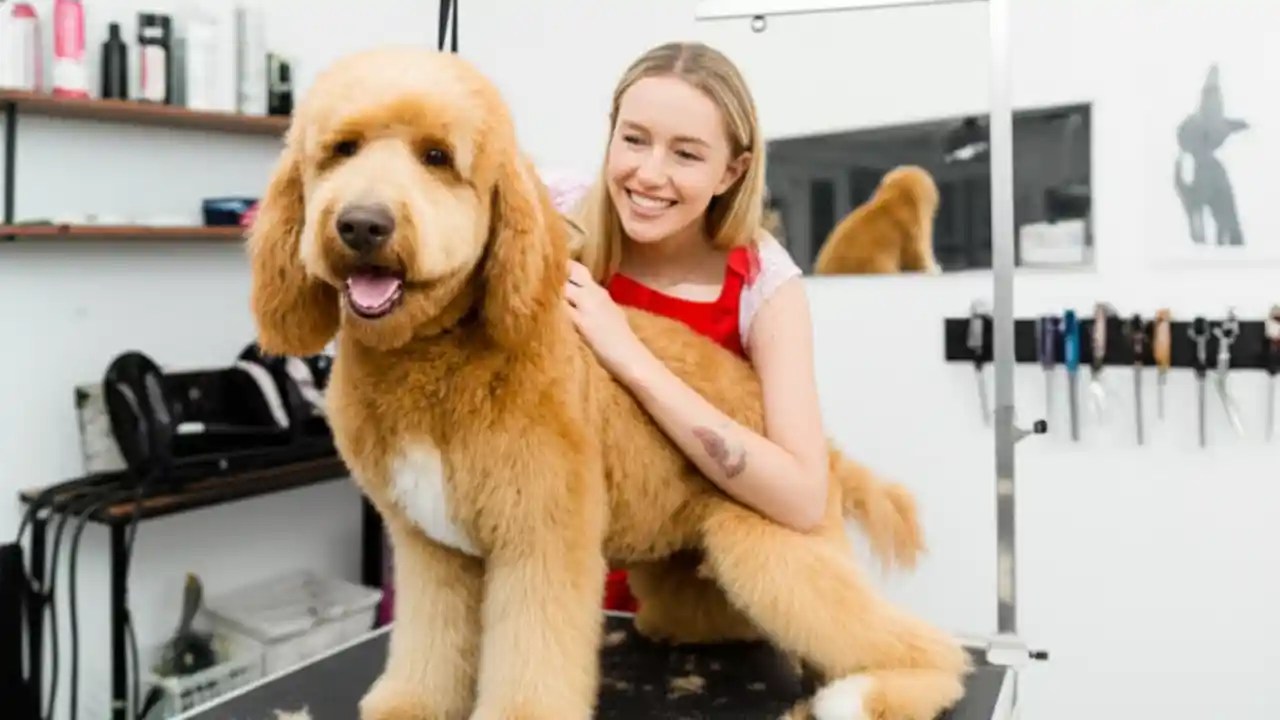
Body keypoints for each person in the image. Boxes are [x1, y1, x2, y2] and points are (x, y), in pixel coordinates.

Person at [551, 41, 830, 613]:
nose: (649, 175)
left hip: (679, 614)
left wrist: (627, 353)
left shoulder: (766, 286)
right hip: (534, 586)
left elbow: (803, 498)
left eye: (686, 154)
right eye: (633, 139)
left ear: (733, 170)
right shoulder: (550, 215)